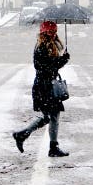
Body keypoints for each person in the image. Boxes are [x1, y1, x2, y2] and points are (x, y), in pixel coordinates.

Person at [12, 20, 71, 157]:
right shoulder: (41, 47)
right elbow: (43, 67)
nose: (53, 34)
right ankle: (25, 135)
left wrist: (62, 59)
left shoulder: (52, 46)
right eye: (50, 31)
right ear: (44, 32)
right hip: (43, 87)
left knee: (52, 117)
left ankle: (49, 145)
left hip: (48, 85)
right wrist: (61, 61)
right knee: (48, 117)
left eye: (55, 31)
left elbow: (51, 65)